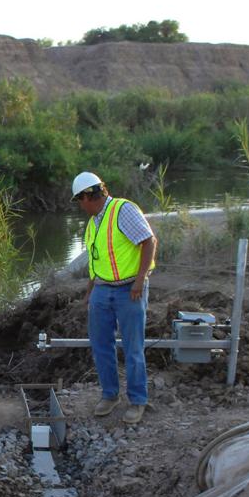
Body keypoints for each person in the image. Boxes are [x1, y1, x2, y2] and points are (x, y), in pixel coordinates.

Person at [74, 170, 157, 425]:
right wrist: (90, 292)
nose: (80, 206)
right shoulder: (93, 223)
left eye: (79, 200)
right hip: (102, 289)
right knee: (101, 345)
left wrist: (140, 281)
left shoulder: (123, 210)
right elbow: (96, 261)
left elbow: (149, 242)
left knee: (133, 347)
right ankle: (110, 395)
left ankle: (137, 401)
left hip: (129, 289)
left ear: (88, 196)